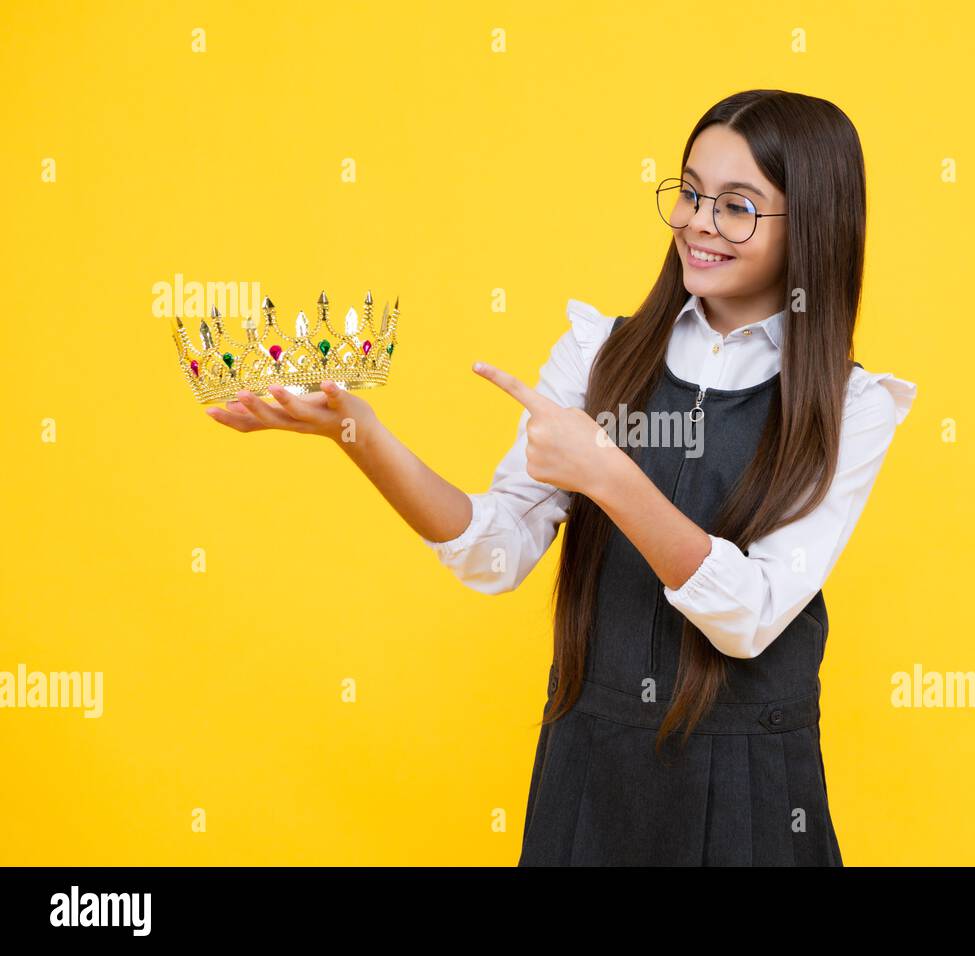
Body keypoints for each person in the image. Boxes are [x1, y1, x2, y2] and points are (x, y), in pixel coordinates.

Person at [206, 89, 918, 866]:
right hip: (594, 769)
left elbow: (750, 615)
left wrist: (609, 475)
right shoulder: (597, 354)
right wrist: (361, 435)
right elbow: (494, 551)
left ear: (810, 227)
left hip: (754, 786)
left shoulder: (853, 409)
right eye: (689, 192)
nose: (696, 221)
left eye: (738, 206)